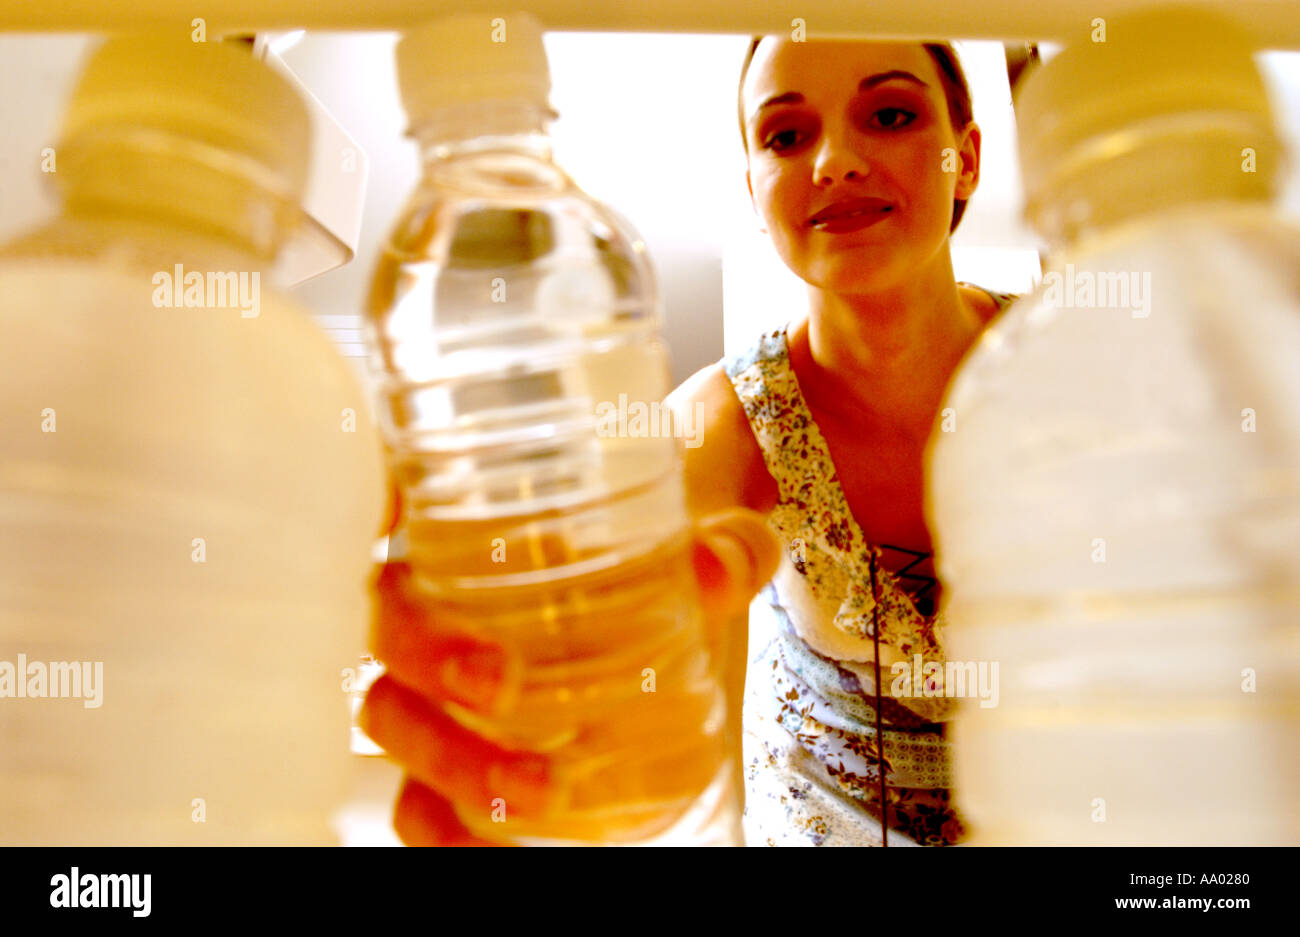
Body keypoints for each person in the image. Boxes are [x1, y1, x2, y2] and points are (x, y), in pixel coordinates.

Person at [360, 35, 1017, 846]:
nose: (836, 160)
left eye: (890, 114)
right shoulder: (724, 425)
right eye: (787, 135)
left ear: (969, 157)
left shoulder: (1075, 358)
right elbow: (631, 660)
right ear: (756, 192)